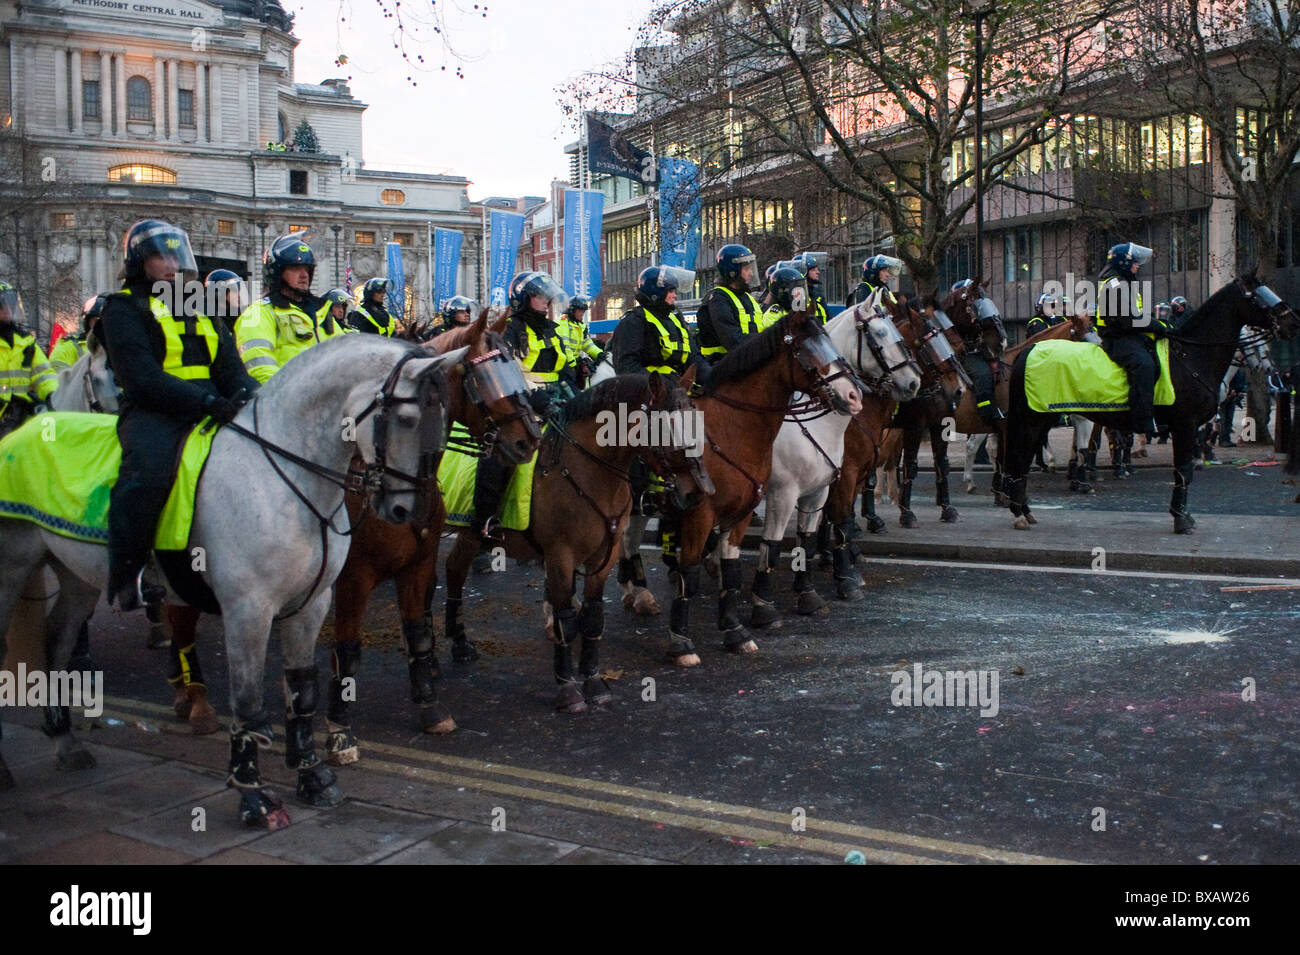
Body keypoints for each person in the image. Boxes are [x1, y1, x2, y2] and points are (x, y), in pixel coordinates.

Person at [99, 219, 259, 611]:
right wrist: (203, 403)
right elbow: (141, 378)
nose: (171, 265)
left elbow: (230, 367)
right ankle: (129, 576)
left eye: (175, 256)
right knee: (147, 475)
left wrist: (256, 398)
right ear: (139, 262)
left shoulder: (198, 303)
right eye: (159, 257)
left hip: (213, 409)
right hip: (157, 411)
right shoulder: (121, 308)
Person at [471, 271, 569, 540]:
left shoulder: (552, 330)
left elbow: (565, 367)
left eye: (547, 297)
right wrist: (535, 400)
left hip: (556, 400)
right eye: (539, 296)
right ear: (524, 299)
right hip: (521, 404)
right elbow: (506, 374)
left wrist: (576, 383)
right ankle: (486, 521)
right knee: (498, 456)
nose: (545, 302)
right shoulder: (509, 330)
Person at [235, 234, 345, 382]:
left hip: (330, 399)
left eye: (307, 269)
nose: (304, 275)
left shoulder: (322, 312)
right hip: (287, 400)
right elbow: (258, 367)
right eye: (295, 269)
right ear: (277, 273)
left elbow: (346, 355)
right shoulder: (258, 313)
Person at [1096, 241, 1169, 438]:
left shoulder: (1124, 282)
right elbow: (1129, 321)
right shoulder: (1116, 285)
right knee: (1143, 365)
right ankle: (1140, 420)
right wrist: (1157, 326)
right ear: (1123, 264)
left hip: (1129, 335)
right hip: (1118, 339)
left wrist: (1160, 325)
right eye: (1135, 263)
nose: (1138, 266)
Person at [0, 281, 56, 432]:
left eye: (10, 305)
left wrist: (52, 395)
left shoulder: (25, 342)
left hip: (22, 416)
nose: (7, 310)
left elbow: (44, 374)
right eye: (2, 305)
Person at [951, 278, 1006, 425]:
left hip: (977, 351)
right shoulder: (954, 313)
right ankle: (986, 409)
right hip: (963, 355)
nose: (975, 301)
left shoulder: (973, 312)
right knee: (982, 372)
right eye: (972, 297)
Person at [696, 244, 763, 362]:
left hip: (749, 359)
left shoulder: (747, 297)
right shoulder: (718, 298)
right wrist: (766, 341)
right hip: (721, 364)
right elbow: (732, 340)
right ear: (733, 271)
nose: (751, 273)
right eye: (746, 269)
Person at [556, 294, 604, 389]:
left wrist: (599, 354)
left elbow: (587, 344)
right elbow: (564, 346)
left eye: (583, 311)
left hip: (574, 362)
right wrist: (573, 365)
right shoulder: (563, 322)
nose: (582, 314)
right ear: (572, 310)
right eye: (580, 311)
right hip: (564, 364)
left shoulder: (581, 326)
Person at [50, 295, 106, 370]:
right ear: (88, 322)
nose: (102, 325)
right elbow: (57, 376)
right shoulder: (69, 346)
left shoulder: (121, 348)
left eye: (108, 321)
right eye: (97, 321)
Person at [203, 269, 246, 334]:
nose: (239, 295)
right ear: (219, 293)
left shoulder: (241, 318)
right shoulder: (207, 321)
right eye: (234, 290)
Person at [792, 251, 829, 324]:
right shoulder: (798, 295)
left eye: (817, 269)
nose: (818, 272)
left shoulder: (816, 293)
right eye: (813, 270)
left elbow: (829, 316)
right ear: (802, 272)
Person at [1219, 368, 1247, 447]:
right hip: (1227, 395)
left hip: (1232, 396)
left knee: (1228, 419)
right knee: (1224, 419)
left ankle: (1226, 439)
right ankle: (1223, 439)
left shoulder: (1238, 371)